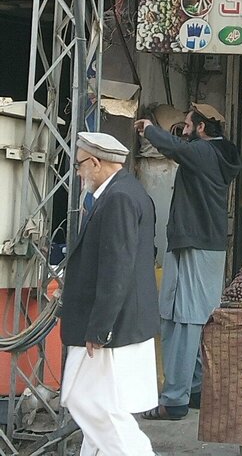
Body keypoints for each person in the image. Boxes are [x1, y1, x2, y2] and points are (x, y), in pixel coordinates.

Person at [135, 102, 241, 420]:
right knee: (189, 319)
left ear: (202, 128)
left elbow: (175, 147)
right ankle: (195, 389)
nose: (184, 128)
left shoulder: (206, 153)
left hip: (194, 244)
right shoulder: (218, 154)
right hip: (202, 245)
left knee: (183, 321)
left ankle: (175, 400)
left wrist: (148, 129)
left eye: (189, 123)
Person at [60, 131, 160, 456]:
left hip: (110, 324)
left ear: (97, 163)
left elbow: (117, 268)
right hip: (120, 319)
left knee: (88, 401)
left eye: (79, 166)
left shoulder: (117, 198)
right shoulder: (127, 191)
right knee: (101, 402)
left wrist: (100, 328)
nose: (78, 173)